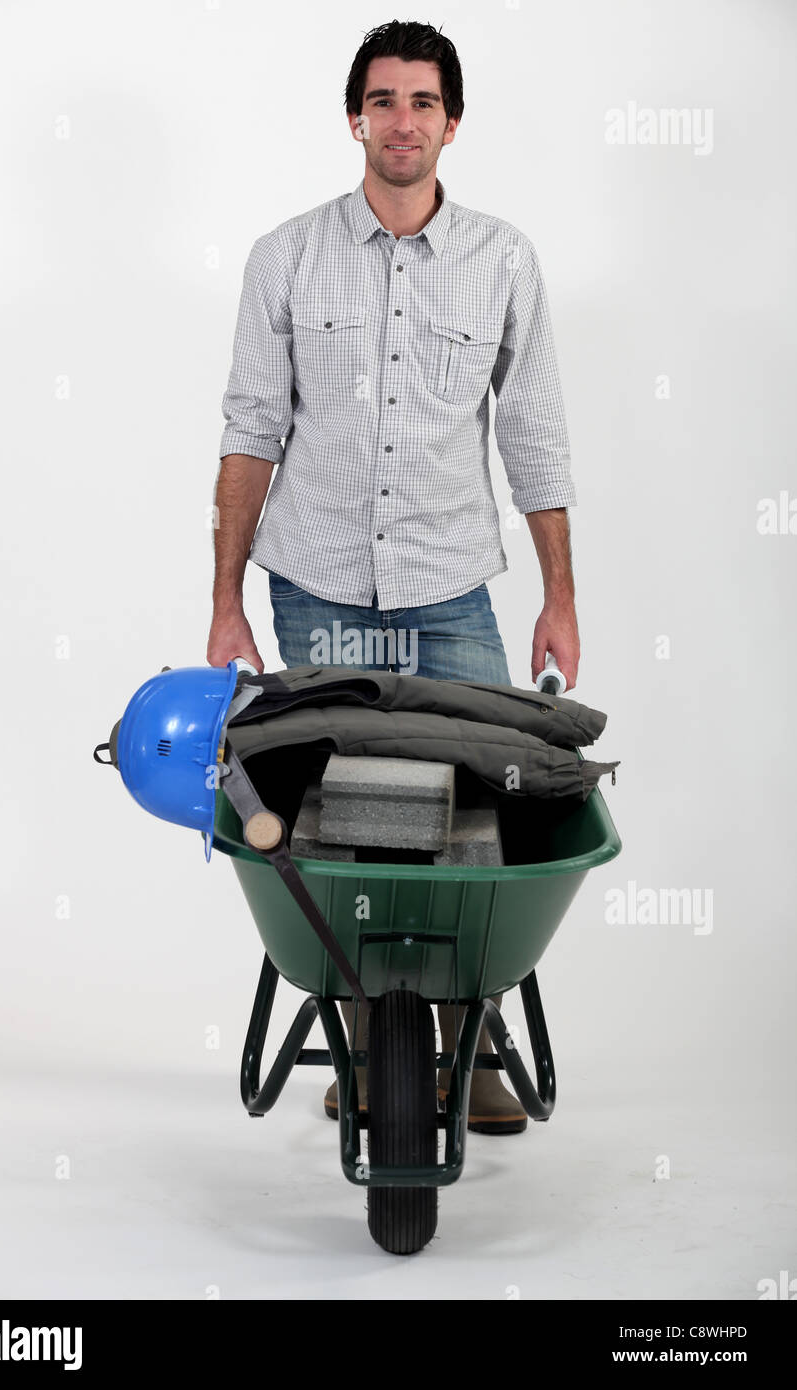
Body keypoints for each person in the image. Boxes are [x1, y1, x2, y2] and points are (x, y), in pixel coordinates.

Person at [207, 20, 579, 1135]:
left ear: (450, 122)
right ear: (354, 117)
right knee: (336, 822)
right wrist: (226, 600)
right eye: (383, 99)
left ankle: (458, 1043)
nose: (402, 119)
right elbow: (248, 429)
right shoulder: (285, 256)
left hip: (449, 586)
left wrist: (558, 596)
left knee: (472, 821)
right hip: (314, 584)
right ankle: (374, 1043)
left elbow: (536, 438)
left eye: (423, 101)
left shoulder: (502, 259)